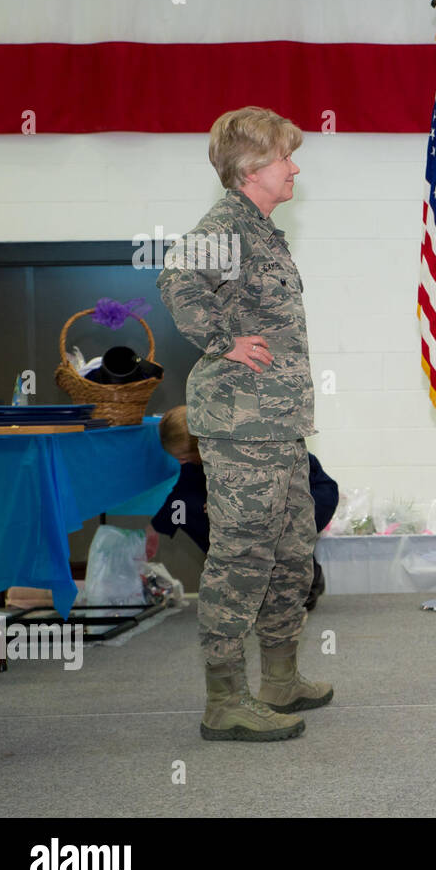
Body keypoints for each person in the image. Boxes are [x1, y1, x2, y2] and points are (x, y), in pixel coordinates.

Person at [157, 106, 332, 742]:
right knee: (241, 558)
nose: (294, 167)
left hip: (277, 426)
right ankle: (224, 700)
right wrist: (225, 337)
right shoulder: (228, 223)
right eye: (286, 157)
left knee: (290, 552)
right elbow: (177, 278)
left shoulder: (261, 229)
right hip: (241, 427)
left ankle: (280, 678)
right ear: (255, 168)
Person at [145, 405, 338, 611]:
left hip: (310, 495)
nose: (180, 461)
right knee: (189, 509)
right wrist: (155, 529)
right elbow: (180, 497)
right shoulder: (197, 460)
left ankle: (304, 577)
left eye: (183, 455)